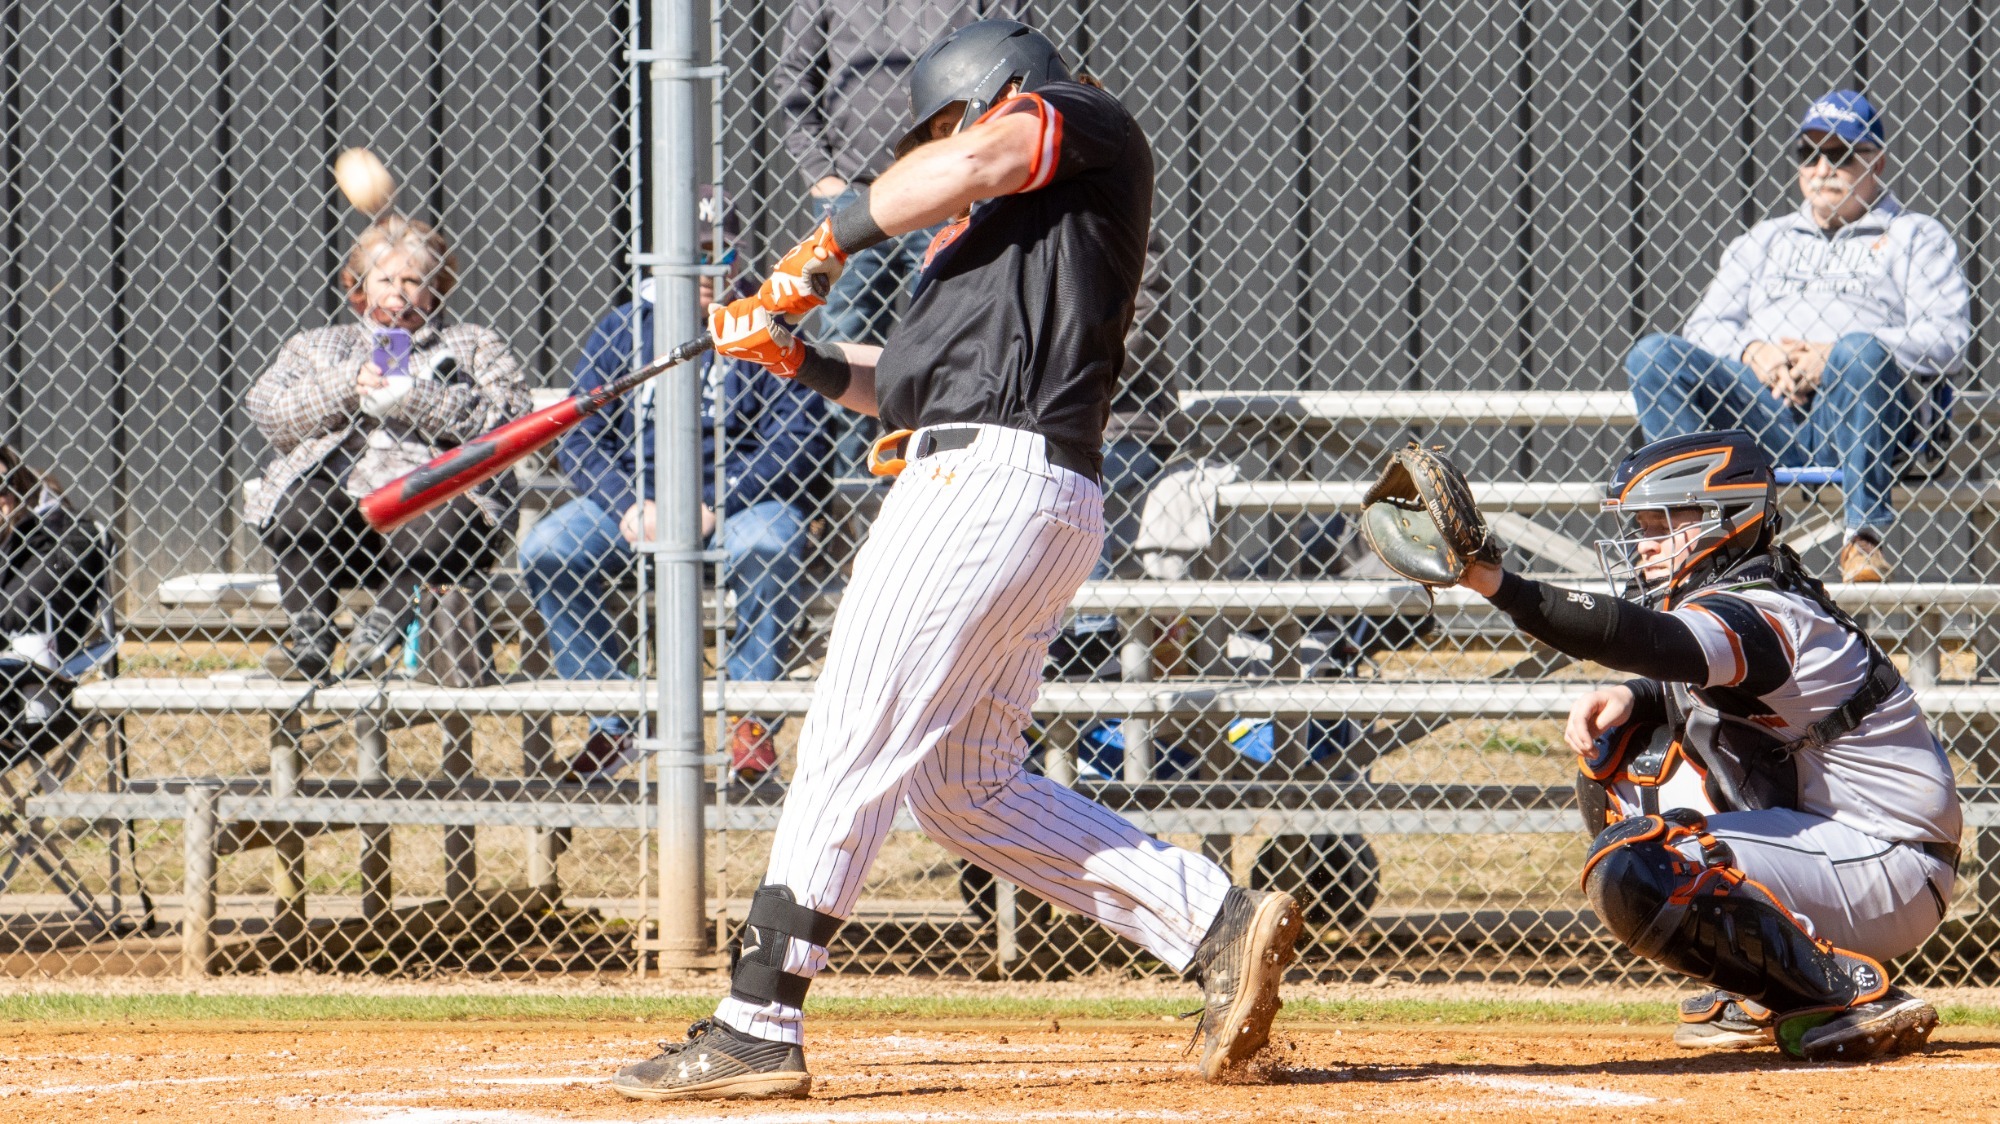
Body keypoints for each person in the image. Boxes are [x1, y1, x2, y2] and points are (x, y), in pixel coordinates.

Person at [609, 20, 1301, 1101]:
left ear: (997, 91)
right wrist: (793, 354)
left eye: (942, 124)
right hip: (1007, 486)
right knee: (960, 785)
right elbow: (902, 387)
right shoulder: (996, 248)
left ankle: (754, 1020)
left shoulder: (1080, 123)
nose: (936, 154)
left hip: (984, 485)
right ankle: (1210, 919)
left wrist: (822, 243)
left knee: (848, 733)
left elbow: (972, 160)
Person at [1432, 430, 1958, 1061]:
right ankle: (1767, 985)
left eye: (1662, 524)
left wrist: (1500, 585)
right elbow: (1692, 674)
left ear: (1724, 521)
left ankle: (1845, 995)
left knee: (1639, 864)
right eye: (1642, 526)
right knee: (1620, 752)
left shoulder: (1765, 610)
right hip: (1833, 843)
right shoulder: (1744, 596)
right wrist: (1636, 696)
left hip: (1890, 860)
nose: (1645, 545)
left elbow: (1651, 640)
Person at [519, 202, 830, 783]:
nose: (706, 267)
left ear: (739, 258)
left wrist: (720, 502)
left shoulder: (769, 323)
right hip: (636, 503)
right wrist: (626, 505)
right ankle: (618, 723)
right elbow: (581, 433)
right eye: (692, 254)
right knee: (548, 549)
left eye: (719, 253)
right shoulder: (623, 328)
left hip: (737, 503)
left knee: (769, 543)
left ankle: (748, 720)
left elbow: (798, 438)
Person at [1623, 90, 1973, 583]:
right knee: (1652, 356)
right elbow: (1703, 327)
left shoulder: (1915, 235)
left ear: (1879, 162)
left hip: (1858, 416)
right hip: (1761, 412)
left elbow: (1949, 338)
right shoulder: (1766, 239)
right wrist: (1753, 351)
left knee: (1860, 350)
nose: (1822, 168)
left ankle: (1862, 538)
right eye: (1809, 154)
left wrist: (1835, 354)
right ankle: (1694, 533)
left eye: (1840, 154)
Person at [247, 215, 530, 681]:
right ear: (359, 286)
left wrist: (415, 397)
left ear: (436, 288)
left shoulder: (474, 345)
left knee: (447, 509)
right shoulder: (318, 346)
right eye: (384, 279)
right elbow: (270, 413)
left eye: (413, 279)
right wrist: (346, 386)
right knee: (302, 503)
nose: (398, 292)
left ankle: (380, 631)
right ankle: (310, 639)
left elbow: (510, 422)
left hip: (435, 529)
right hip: (343, 529)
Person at [776, 0, 1029, 475]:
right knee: (844, 337)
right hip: (852, 192)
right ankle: (851, 496)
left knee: (952, 339)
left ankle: (946, 475)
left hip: (949, 190)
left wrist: (967, 175)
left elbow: (1015, 58)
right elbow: (795, 78)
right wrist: (821, 175)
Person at [0, 447, 110, 770]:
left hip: (31, 700)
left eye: (3, 486)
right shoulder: (10, 546)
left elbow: (21, 607)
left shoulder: (64, 538)